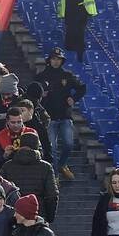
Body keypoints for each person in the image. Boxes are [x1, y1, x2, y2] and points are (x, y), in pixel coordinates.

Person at [35, 47, 85, 182]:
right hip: (48, 117)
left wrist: (74, 99)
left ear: (62, 61)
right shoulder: (41, 76)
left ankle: (62, 164)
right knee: (52, 148)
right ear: (49, 60)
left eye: (59, 59)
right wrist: (41, 96)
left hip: (65, 116)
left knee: (69, 144)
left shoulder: (67, 75)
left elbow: (82, 88)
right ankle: (55, 175)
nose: (56, 62)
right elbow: (32, 94)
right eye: (54, 59)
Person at [0, 131, 59, 223]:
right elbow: (52, 196)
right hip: (37, 215)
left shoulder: (7, 166)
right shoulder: (46, 167)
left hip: (13, 215)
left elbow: (0, 192)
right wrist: (49, 217)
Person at [56, 0, 95, 65]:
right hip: (80, 11)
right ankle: (76, 58)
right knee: (77, 35)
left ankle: (76, 59)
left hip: (77, 12)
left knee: (76, 35)